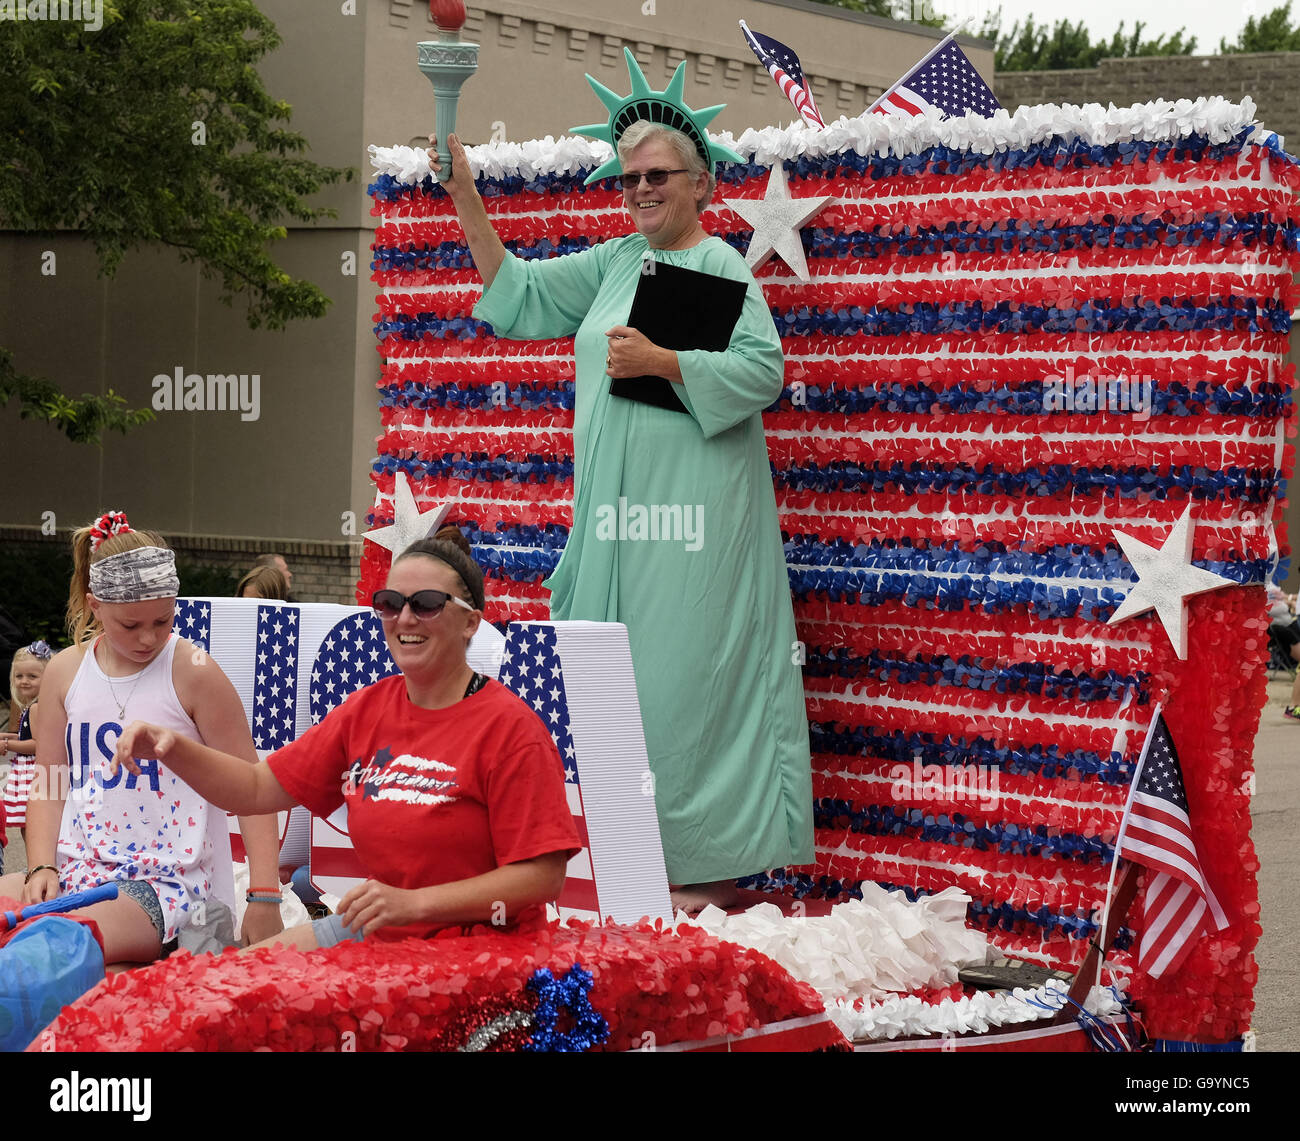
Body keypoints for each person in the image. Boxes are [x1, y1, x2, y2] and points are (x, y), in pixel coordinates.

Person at [426, 51, 813, 914]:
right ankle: (625, 876)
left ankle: (698, 886)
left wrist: (664, 359)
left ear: (701, 185)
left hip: (692, 546)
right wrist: (464, 197)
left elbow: (762, 374)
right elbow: (518, 292)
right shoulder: (612, 265)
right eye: (630, 176)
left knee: (681, 702)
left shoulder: (722, 269)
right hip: (610, 538)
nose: (640, 189)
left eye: (658, 175)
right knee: (612, 701)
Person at [112, 536, 580, 949]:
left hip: (482, 952)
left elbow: (542, 876)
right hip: (377, 935)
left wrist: (414, 905)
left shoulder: (512, 730)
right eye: (391, 602)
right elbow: (255, 790)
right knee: (226, 987)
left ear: (470, 622)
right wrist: (170, 746)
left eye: (428, 603)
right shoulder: (367, 710)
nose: (405, 617)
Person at [0, 512, 285, 965]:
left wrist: (265, 896)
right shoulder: (64, 672)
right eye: (130, 625)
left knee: (54, 948)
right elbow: (48, 783)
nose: (149, 638)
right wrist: (40, 865)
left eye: (163, 620)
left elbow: (254, 787)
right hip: (77, 869)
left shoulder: (193, 671)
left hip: (169, 884)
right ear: (95, 606)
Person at [1, 640, 53, 844]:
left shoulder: (36, 708)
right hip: (30, 770)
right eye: (19, 676)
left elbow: (38, 744)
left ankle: (36, 864)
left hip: (33, 772)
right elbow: (27, 737)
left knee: (31, 823)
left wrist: (7, 746)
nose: (24, 681)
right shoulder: (31, 706)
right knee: (27, 823)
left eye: (32, 676)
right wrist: (7, 737)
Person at [1267, 580, 1300, 720]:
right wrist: (1290, 602)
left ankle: (1293, 707)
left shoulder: (1269, 583)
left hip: (1291, 624)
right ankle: (1293, 707)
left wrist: (1290, 601)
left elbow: (1284, 597)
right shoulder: (1261, 583)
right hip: (1283, 629)